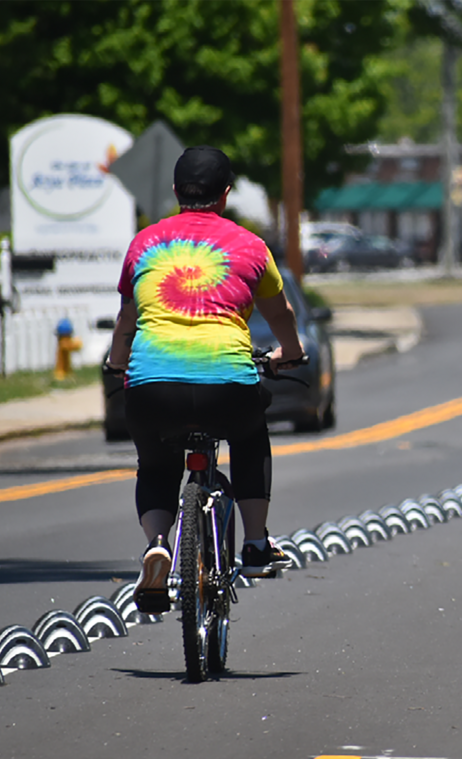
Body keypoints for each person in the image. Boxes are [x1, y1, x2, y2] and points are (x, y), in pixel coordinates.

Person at [106, 145, 304, 614]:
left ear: (175, 192)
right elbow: (282, 314)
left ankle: (157, 544)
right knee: (251, 438)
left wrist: (118, 364)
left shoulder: (144, 244)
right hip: (227, 384)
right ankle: (255, 543)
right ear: (226, 194)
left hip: (153, 386)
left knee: (156, 465)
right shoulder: (250, 246)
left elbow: (126, 321)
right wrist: (290, 354)